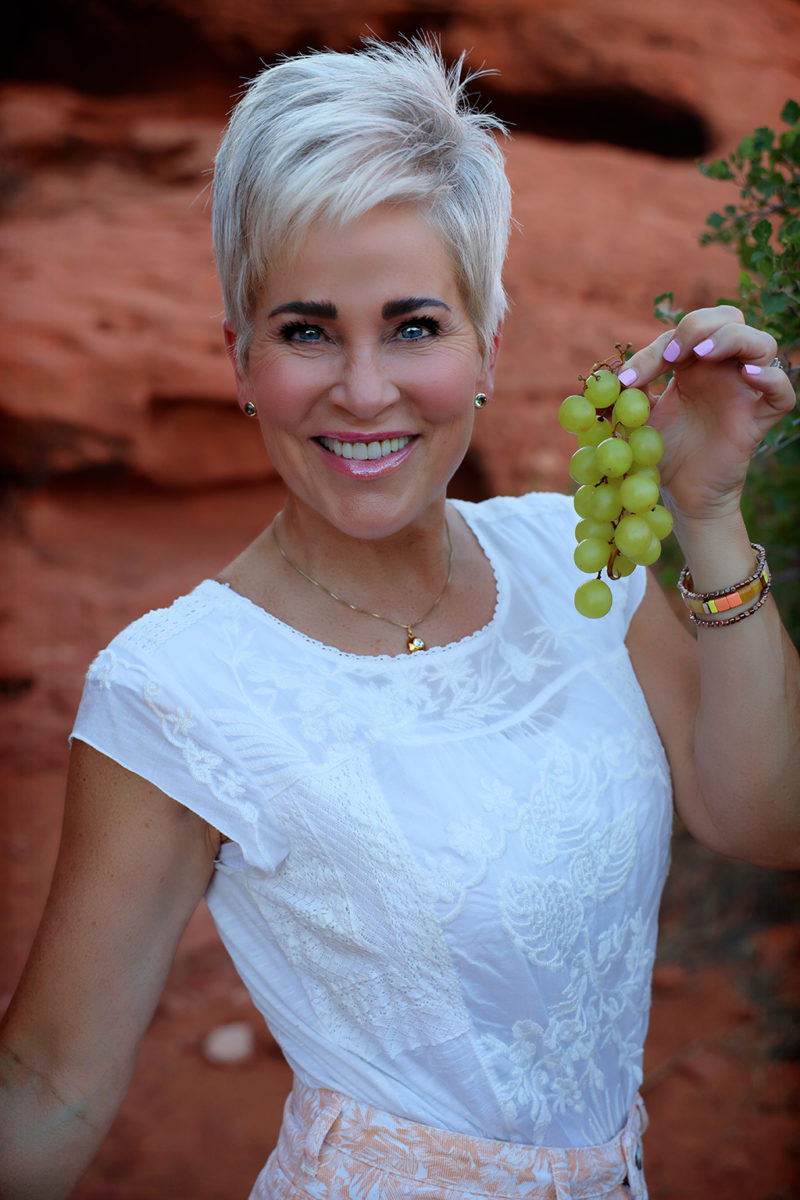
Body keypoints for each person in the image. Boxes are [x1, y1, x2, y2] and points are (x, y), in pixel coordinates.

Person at [1, 37, 798, 1200]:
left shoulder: (564, 560)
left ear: (485, 347)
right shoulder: (176, 690)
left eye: (415, 326)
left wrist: (707, 512)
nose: (363, 390)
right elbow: (50, 1084)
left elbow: (763, 819)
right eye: (306, 328)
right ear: (239, 360)